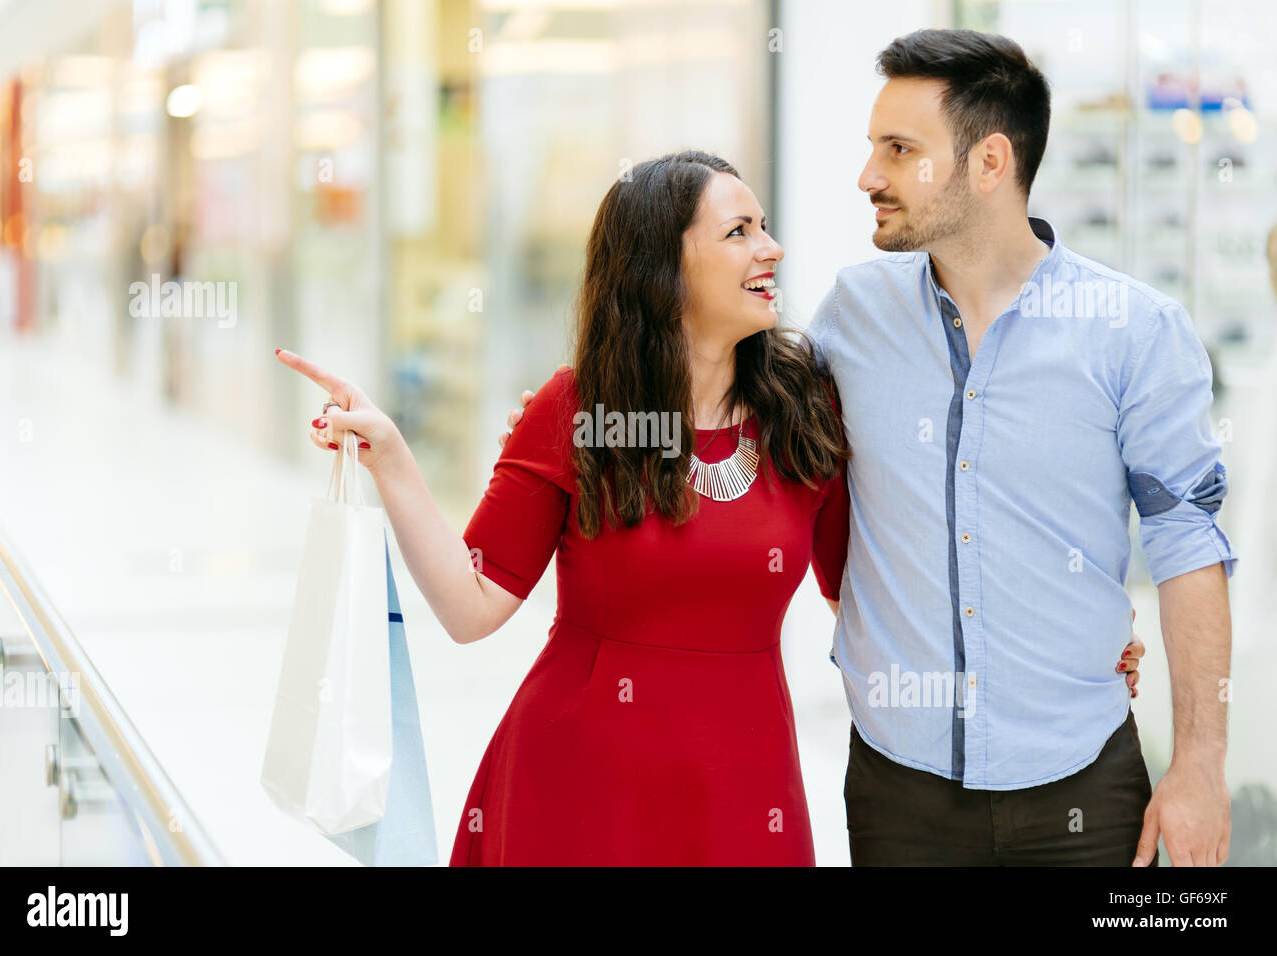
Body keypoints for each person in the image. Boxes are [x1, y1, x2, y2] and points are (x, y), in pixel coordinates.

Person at [508, 30, 1214, 868]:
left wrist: (1200, 764)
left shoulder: (1136, 333)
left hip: (1085, 786)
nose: (868, 175)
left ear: (989, 163)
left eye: (899, 150)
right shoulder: (854, 317)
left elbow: (1190, 549)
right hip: (897, 793)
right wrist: (582, 416)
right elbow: (734, 410)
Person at [279, 150, 851, 865]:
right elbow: (472, 603)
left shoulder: (805, 413)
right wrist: (392, 458)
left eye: (763, 227)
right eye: (739, 232)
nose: (772, 248)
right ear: (664, 268)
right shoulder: (576, 411)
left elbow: (857, 601)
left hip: (744, 791)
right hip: (579, 783)